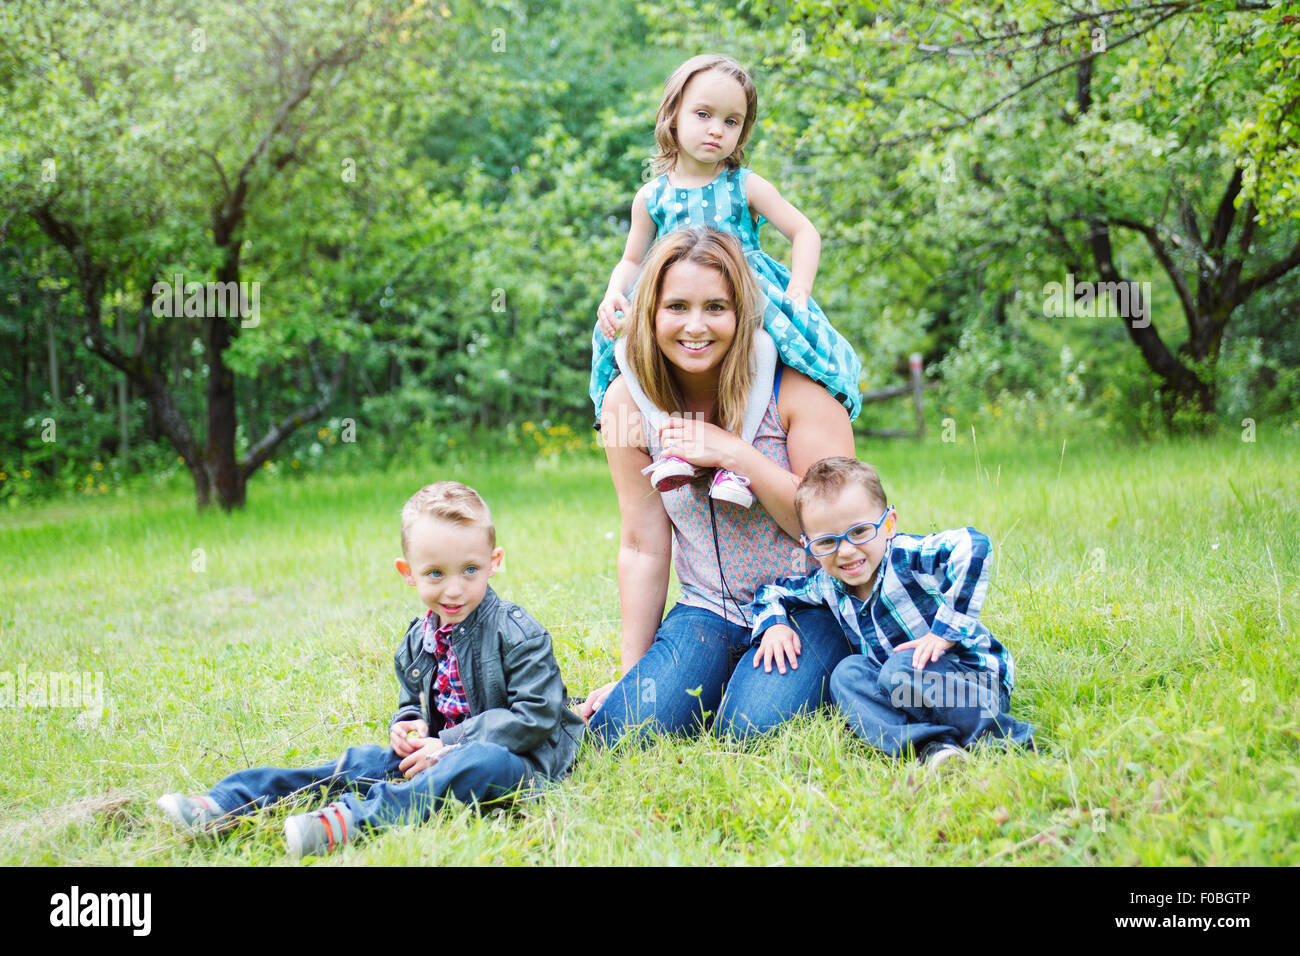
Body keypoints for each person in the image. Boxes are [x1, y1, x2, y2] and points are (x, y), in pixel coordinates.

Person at [157, 481, 584, 858]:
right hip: (433, 753)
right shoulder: (418, 639)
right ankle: (228, 802)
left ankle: (350, 822)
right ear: (408, 574)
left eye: (470, 570)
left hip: (521, 763)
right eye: (435, 573)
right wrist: (410, 724)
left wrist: (447, 743)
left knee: (478, 763)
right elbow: (412, 702)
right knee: (357, 763)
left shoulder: (517, 632)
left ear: (494, 561)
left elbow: (536, 717)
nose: (454, 589)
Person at [583, 226, 857, 743]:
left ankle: (791, 675)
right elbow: (642, 544)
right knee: (625, 731)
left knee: (749, 730)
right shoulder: (627, 403)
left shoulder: (795, 390)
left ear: (741, 313)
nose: (695, 326)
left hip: (809, 602)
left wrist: (735, 453)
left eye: (715, 307)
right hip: (709, 607)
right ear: (651, 313)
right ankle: (714, 672)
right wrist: (631, 674)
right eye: (676, 307)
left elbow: (841, 531)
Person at [590, 53, 862, 509]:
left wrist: (799, 290)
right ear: (672, 115)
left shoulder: (744, 185)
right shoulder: (652, 194)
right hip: (674, 294)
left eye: (732, 121)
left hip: (741, 297)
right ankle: (674, 450)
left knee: (761, 349)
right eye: (703, 114)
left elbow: (804, 232)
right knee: (625, 349)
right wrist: (615, 292)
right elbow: (633, 258)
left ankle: (737, 460)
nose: (717, 129)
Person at [749, 457, 1035, 768]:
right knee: (847, 674)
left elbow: (973, 546)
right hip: (904, 690)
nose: (845, 551)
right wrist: (774, 626)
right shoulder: (827, 585)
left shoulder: (905, 558)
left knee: (900, 666)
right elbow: (773, 591)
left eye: (859, 532)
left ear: (889, 524)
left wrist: (945, 633)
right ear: (808, 546)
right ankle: (932, 747)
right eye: (827, 542)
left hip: (972, 681)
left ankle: (1004, 741)